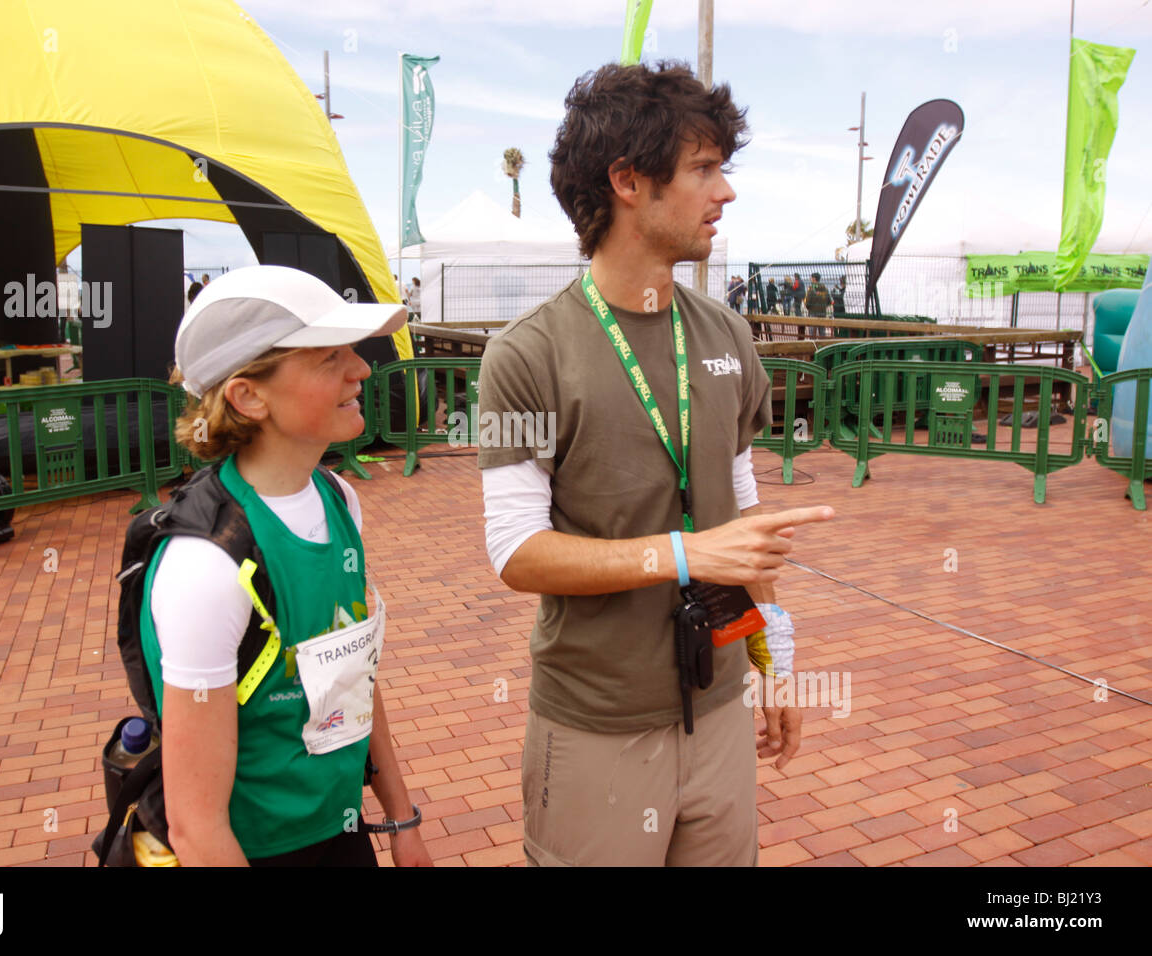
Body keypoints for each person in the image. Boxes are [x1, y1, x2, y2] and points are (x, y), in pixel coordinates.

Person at [475, 61, 833, 867]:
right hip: (597, 724)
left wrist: (776, 663)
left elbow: (742, 525)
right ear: (628, 181)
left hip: (723, 710)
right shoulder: (527, 353)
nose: (725, 193)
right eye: (704, 169)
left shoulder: (728, 337)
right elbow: (515, 552)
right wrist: (682, 553)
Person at [151, 265, 433, 867]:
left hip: (343, 833)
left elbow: (353, 672)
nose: (361, 369)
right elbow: (195, 828)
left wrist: (400, 816)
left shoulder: (339, 499)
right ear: (249, 397)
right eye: (329, 357)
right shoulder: (206, 564)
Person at [804, 271, 831, 336]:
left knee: (812, 330)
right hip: (822, 311)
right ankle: (822, 343)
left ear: (814, 278)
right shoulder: (825, 289)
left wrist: (808, 307)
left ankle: (812, 344)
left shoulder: (811, 288)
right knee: (822, 330)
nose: (810, 279)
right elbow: (829, 301)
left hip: (813, 311)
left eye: (811, 278)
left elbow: (808, 301)